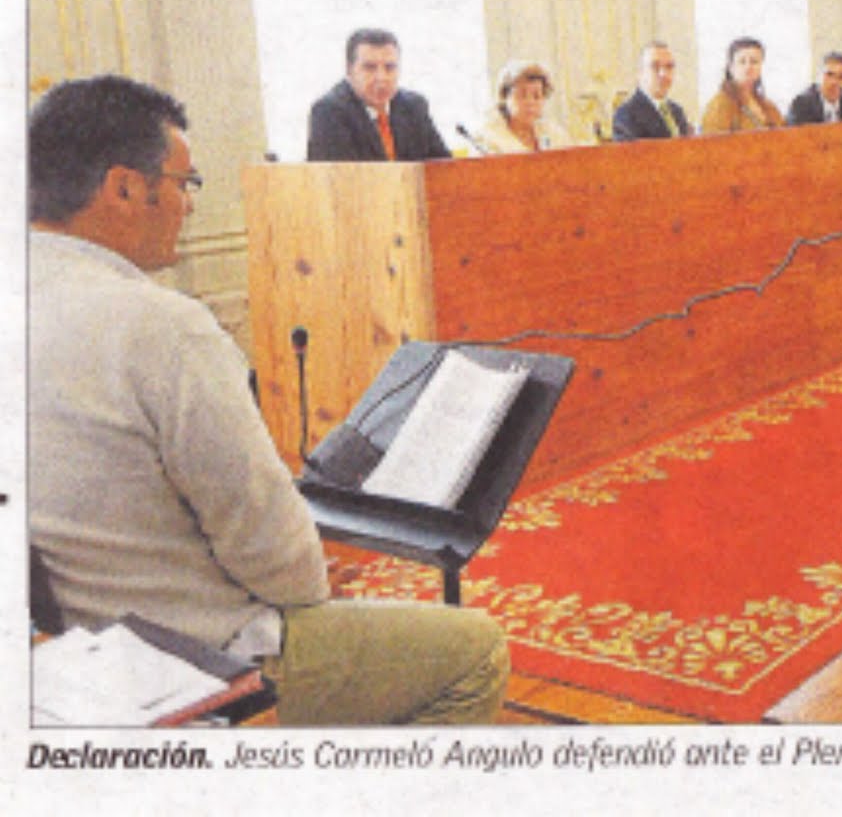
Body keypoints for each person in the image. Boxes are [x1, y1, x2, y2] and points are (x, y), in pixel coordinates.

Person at [28, 75, 510, 725]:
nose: (190, 206)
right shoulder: (161, 326)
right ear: (123, 187)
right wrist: (312, 576)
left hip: (65, 652)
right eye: (184, 183)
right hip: (198, 657)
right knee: (475, 651)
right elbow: (285, 567)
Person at [307, 27, 451, 162]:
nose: (381, 78)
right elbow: (338, 180)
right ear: (349, 70)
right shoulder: (329, 112)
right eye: (370, 68)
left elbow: (443, 168)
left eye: (390, 68)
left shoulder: (414, 107)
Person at [475, 60, 574, 154]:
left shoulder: (555, 134)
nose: (530, 102)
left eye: (537, 96)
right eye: (522, 95)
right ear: (504, 98)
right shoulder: (488, 139)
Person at [700, 36, 784, 134]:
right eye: (742, 62)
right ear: (731, 67)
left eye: (754, 62)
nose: (748, 67)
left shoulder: (768, 106)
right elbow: (713, 143)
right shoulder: (720, 104)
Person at [612, 40, 692, 141]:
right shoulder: (626, 114)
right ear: (640, 73)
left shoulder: (677, 111)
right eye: (655, 67)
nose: (663, 74)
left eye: (669, 67)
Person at [787, 51, 842, 125]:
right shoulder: (801, 103)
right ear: (819, 74)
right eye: (829, 74)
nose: (834, 82)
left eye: (841, 77)